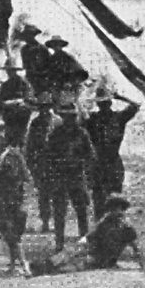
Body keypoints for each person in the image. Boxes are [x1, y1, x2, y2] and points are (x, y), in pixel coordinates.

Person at [33, 194, 141, 274]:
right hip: (94, 252)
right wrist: (78, 245)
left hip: (104, 259)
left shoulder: (126, 227)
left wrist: (142, 265)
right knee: (69, 253)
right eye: (113, 208)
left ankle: (46, 268)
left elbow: (135, 247)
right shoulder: (105, 222)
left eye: (118, 208)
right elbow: (90, 236)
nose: (115, 211)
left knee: (74, 266)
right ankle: (46, 264)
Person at [43, 102, 97, 251]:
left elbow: (91, 155)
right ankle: (59, 244)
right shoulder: (55, 134)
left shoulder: (81, 134)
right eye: (67, 117)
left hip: (76, 176)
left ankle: (84, 242)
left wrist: (86, 172)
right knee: (59, 211)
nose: (70, 119)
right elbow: (47, 157)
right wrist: (52, 174)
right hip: (60, 177)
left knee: (81, 210)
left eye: (72, 116)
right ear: (63, 117)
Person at [0, 125, 36, 275]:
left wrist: (25, 200)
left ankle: (24, 265)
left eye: (2, 137)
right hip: (1, 199)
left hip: (16, 198)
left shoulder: (15, 156)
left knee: (15, 234)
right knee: (8, 233)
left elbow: (27, 178)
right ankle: (14, 264)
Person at [86, 88, 141, 212]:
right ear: (98, 105)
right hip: (99, 163)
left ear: (110, 103)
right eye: (101, 103)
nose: (104, 106)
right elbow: (78, 115)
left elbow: (136, 105)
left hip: (112, 162)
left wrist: (119, 96)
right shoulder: (92, 119)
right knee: (98, 201)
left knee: (115, 200)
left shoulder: (118, 117)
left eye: (106, 103)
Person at [24, 94, 62, 235]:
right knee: (43, 194)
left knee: (58, 193)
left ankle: (58, 222)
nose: (44, 110)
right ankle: (45, 221)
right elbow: (30, 145)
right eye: (42, 107)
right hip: (41, 162)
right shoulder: (35, 123)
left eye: (47, 107)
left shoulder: (58, 122)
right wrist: (31, 163)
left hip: (56, 162)